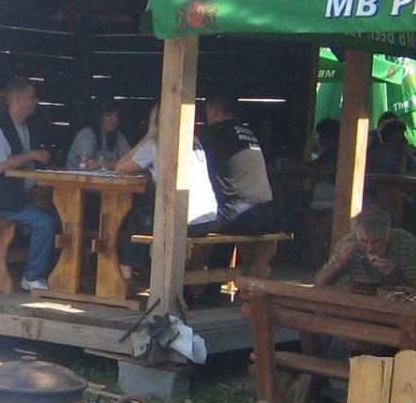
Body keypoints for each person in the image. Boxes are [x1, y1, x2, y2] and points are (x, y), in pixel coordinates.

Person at [114, 102, 218, 282]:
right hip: (208, 219)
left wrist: (145, 138)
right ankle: (141, 268)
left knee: (139, 214)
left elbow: (119, 168)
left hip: (185, 220)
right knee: (149, 214)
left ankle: (126, 267)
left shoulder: (155, 144)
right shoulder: (194, 141)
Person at [0, 79, 58, 292]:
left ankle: (51, 272)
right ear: (17, 100)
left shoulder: (25, 128)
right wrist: (32, 155)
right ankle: (32, 276)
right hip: (2, 201)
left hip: (21, 197)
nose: (36, 101)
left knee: (60, 218)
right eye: (32, 97)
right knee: (44, 223)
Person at [198, 94, 278, 234]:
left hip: (238, 213)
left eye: (207, 112)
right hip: (267, 213)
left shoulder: (216, 133)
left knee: (190, 225)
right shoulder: (248, 133)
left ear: (215, 111)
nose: (207, 117)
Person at [314, 207, 416, 289]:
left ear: (388, 235)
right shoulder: (348, 244)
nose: (370, 249)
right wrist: (339, 263)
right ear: (357, 235)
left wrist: (393, 275)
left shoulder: (406, 244)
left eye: (376, 242)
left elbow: (415, 289)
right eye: (364, 241)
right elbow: (319, 283)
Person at [65, 101, 130, 171]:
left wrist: (102, 163)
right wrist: (116, 164)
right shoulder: (86, 135)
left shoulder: (118, 136)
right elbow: (87, 165)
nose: (115, 120)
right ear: (98, 117)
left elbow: (130, 161)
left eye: (116, 116)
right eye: (109, 115)